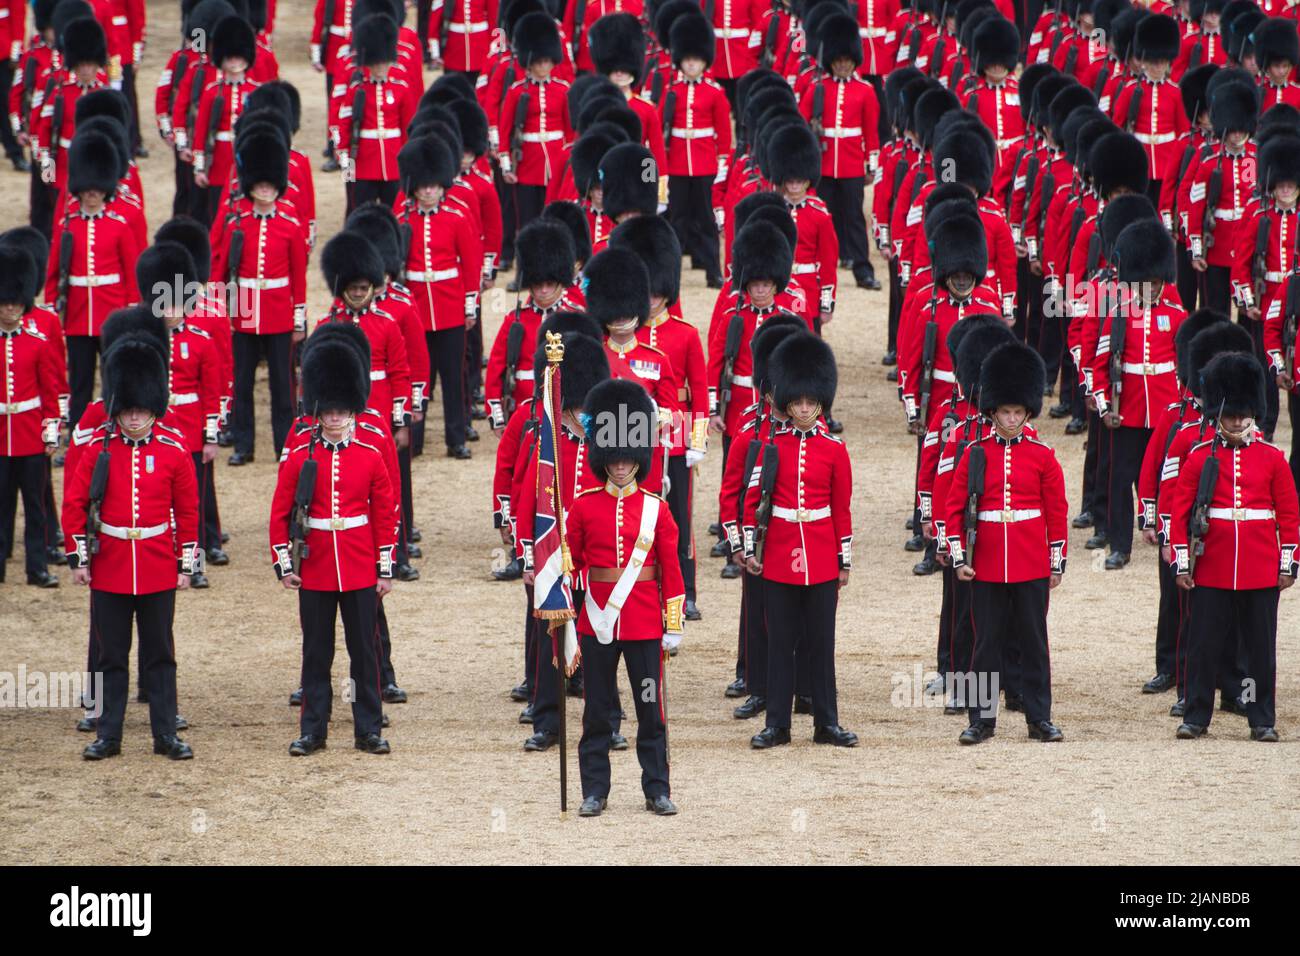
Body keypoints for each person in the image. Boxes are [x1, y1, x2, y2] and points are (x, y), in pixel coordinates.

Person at [64, 333, 199, 761]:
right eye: (128, 409)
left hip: (158, 564)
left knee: (160, 655)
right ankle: (108, 734)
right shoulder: (98, 450)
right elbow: (75, 503)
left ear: (153, 407)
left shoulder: (174, 451)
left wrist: (186, 564)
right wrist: (80, 558)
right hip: (112, 565)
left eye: (142, 409)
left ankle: (165, 735)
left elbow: (188, 512)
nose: (135, 417)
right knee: (110, 657)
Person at [270, 331, 396, 757]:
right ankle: (313, 729)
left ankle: (368, 728)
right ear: (319, 410)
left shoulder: (369, 454)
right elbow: (280, 512)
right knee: (316, 653)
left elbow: (384, 513)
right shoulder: (302, 456)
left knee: (365, 653)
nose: (337, 417)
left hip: (359, 565)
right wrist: (285, 565)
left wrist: (385, 568)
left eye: (343, 410)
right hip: (318, 565)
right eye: (330, 410)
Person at [569, 377, 684, 817]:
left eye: (626, 460)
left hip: (642, 622)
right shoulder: (583, 506)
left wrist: (672, 623)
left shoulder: (658, 508)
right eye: (613, 460)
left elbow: (671, 570)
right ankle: (594, 789)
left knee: (650, 710)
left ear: (638, 459)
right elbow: (575, 563)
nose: (620, 467)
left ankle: (657, 788)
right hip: (598, 620)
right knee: (597, 711)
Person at [1170, 351, 1299, 741]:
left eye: (1244, 416)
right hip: (1212, 566)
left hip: (1259, 567)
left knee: (1260, 651)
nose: (1238, 423)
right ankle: (1196, 715)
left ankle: (1261, 720)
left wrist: (1287, 563)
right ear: (1218, 414)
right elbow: (1179, 514)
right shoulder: (1198, 459)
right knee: (1204, 645)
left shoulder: (1273, 458)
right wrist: (1181, 563)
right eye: (1231, 416)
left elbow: (1290, 517)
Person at [944, 339, 1068, 745]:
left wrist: (1056, 562)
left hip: (1031, 562)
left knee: (1034, 643)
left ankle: (1039, 718)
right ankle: (981, 720)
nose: (1011, 419)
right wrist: (961, 558)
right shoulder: (974, 453)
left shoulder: (1042, 456)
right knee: (986, 645)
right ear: (992, 411)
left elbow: (1056, 512)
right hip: (988, 563)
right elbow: (953, 510)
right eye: (1005, 411)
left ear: (1027, 411)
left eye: (1017, 412)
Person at [744, 332, 857, 750]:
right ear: (786, 403)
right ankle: (777, 723)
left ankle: (827, 722)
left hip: (822, 554)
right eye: (798, 402)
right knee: (780, 644)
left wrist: (844, 560)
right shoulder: (770, 446)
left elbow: (841, 509)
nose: (805, 409)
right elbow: (753, 500)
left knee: (821, 643)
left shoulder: (834, 449)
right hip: (778, 552)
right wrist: (749, 550)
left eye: (811, 402)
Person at [1091, 218, 1186, 569]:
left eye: (1155, 283)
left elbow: (1185, 368)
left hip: (1164, 409)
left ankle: (1168, 534)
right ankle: (1120, 544)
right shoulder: (1118, 314)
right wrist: (1104, 406)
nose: (1150, 289)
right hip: (1128, 408)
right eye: (1144, 283)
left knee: (1167, 475)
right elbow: (1100, 365)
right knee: (1121, 477)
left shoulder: (1176, 316)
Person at [210, 130, 306, 465]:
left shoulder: (290, 225)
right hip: (244, 308)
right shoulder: (237, 222)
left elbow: (298, 277)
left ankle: (284, 444)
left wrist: (298, 318)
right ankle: (243, 444)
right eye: (259, 185)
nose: (264, 190)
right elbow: (222, 268)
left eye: (269, 185)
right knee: (243, 383)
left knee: (282, 386)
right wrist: (221, 309)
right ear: (250, 186)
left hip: (278, 309)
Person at [135, 242, 223, 588]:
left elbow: (211, 395)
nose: (170, 310)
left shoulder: (201, 340)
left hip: (190, 432)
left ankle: (194, 565)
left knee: (192, 505)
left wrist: (211, 437)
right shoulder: (144, 340)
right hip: (155, 431)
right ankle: (161, 563)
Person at [45, 129, 140, 431]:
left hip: (111, 312)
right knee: (81, 381)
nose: (92, 193)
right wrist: (51, 306)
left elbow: (130, 273)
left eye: (97, 188)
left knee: (113, 374)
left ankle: (113, 426)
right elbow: (53, 271)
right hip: (76, 314)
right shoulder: (68, 225)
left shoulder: (119, 227)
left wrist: (130, 312)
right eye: (87, 188)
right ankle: (77, 432)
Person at [396, 134, 482, 459]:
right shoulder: (403, 217)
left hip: (449, 307)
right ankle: (415, 439)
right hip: (416, 307)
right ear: (414, 186)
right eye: (423, 186)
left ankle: (456, 437)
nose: (429, 191)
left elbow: (471, 264)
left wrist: (470, 304)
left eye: (433, 185)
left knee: (452, 376)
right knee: (419, 377)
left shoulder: (457, 216)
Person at [798, 11, 881, 291]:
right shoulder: (816, 88)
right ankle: (823, 269)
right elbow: (802, 125)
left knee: (855, 217)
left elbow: (871, 133)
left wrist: (871, 163)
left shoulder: (866, 91)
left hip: (851, 164)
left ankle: (862, 269)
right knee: (824, 219)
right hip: (823, 164)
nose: (843, 65)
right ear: (831, 60)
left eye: (847, 60)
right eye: (838, 60)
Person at [0, 243, 61, 587]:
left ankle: (37, 568)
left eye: (15, 302)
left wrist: (51, 430)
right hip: (1, 438)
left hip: (29, 436)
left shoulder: (37, 342)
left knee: (36, 508)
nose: (10, 308)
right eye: (5, 302)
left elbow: (49, 391)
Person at [658, 13, 731, 288]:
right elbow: (661, 128)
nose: (691, 64)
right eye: (687, 59)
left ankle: (713, 271)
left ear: (704, 61)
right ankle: (671, 274)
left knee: (705, 220)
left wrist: (722, 164)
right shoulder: (671, 90)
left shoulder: (715, 92)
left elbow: (723, 133)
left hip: (704, 164)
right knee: (677, 221)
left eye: (696, 59)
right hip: (676, 162)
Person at [484, 218, 578, 431]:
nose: (544, 290)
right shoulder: (516, 319)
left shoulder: (573, 318)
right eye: (538, 284)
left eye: (549, 284)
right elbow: (496, 368)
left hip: (564, 414)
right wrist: (497, 414)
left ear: (560, 281)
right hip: (522, 411)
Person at [332, 12, 415, 213]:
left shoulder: (401, 88)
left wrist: (408, 157)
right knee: (359, 210)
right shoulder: (357, 89)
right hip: (363, 160)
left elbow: (408, 126)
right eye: (376, 64)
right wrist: (343, 153)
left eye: (383, 63)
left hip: (393, 158)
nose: (380, 68)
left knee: (394, 212)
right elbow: (343, 122)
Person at [189, 15, 261, 225]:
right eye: (230, 58)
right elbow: (201, 131)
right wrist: (199, 168)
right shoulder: (212, 92)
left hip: (246, 160)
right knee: (217, 217)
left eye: (239, 58)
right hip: (219, 161)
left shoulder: (256, 91)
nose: (235, 63)